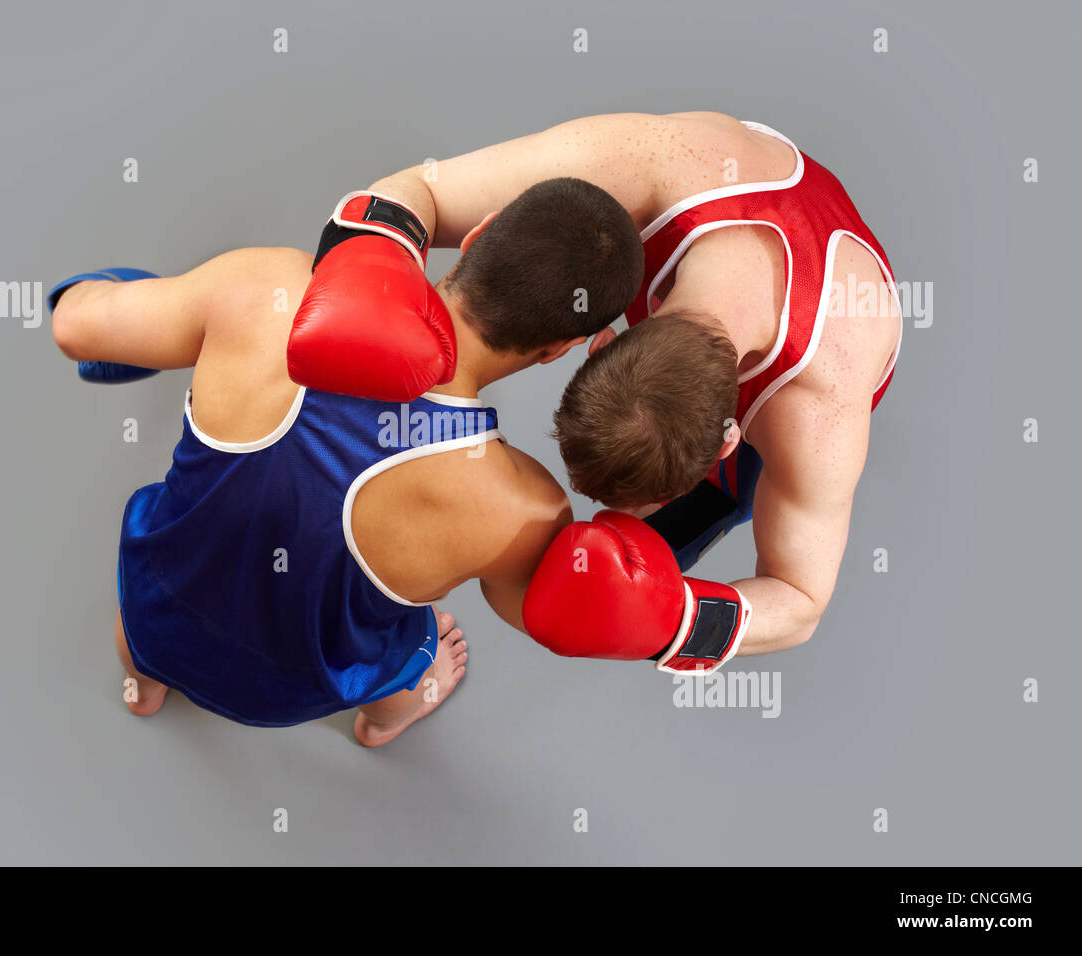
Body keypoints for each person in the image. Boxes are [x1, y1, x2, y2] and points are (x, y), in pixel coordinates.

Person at [287, 111, 902, 667]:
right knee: (595, 569)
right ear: (601, 341)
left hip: (804, 370)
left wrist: (671, 622)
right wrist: (371, 258)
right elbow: (416, 189)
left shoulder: (818, 411)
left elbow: (800, 599)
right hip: (730, 191)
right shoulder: (661, 161)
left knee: (636, 561)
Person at [48, 178, 644, 745]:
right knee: (407, 649)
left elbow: (74, 327)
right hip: (292, 692)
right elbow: (537, 612)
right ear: (558, 351)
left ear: (476, 235)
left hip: (152, 623)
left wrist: (170, 310)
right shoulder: (520, 505)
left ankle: (144, 688)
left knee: (154, 613)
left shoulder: (268, 288)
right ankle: (383, 723)